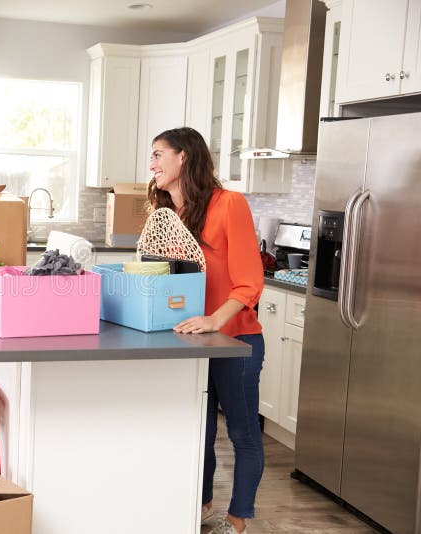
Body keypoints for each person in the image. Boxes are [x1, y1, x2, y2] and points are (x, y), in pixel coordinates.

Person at [147, 127, 264, 534]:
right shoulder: (171, 215)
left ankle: (237, 520)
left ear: (184, 156)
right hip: (194, 340)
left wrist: (216, 319)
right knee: (201, 430)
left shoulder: (229, 204)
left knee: (242, 432)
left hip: (236, 339)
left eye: (158, 154)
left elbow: (249, 282)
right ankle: (200, 504)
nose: (152, 164)